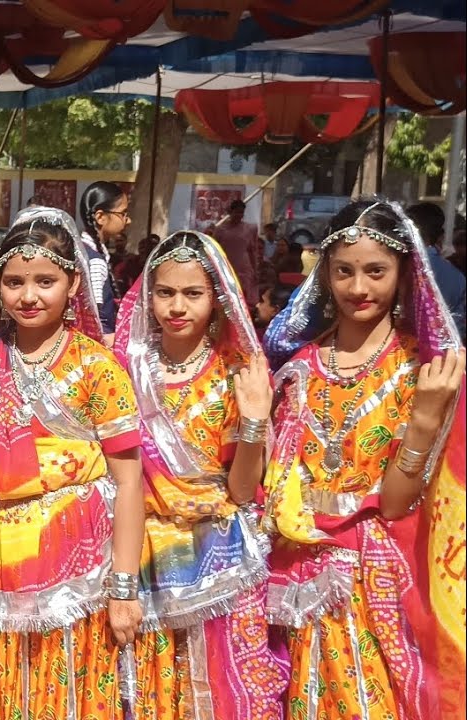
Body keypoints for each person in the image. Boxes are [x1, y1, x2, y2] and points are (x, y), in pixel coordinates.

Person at [263, 199, 466, 719]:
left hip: (376, 580)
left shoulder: (423, 370)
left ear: (403, 275)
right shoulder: (300, 368)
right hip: (296, 573)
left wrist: (424, 420)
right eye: (344, 272)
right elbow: (277, 487)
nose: (359, 288)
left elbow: (397, 505)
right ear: (325, 275)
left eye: (376, 271)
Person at [0, 207, 144, 719]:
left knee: (67, 696)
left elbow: (128, 484)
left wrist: (124, 589)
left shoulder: (97, 366)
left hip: (76, 561)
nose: (28, 296)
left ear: (73, 282)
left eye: (45, 281)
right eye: (14, 282)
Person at [113, 232, 287, 719]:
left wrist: (254, 420)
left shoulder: (238, 371)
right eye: (165, 292)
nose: (177, 306)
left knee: (227, 689)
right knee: (150, 692)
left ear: (218, 297)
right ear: (148, 295)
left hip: (221, 552)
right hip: (142, 551)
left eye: (193, 294)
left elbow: (242, 490)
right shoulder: (125, 368)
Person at [405, 202, 466, 333]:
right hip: (442, 350)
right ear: (440, 236)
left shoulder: (397, 266)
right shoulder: (457, 277)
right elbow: (457, 329)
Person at [78, 181, 128, 342]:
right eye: (123, 213)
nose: (128, 220)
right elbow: (93, 320)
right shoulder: (94, 261)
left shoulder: (86, 252)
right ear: (100, 217)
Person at [205, 199, 261, 308]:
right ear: (230, 212)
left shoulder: (250, 229)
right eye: (237, 212)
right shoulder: (220, 230)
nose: (239, 215)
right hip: (226, 266)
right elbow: (214, 250)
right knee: (227, 296)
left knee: (244, 297)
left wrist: (255, 269)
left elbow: (252, 250)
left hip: (244, 268)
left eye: (241, 212)